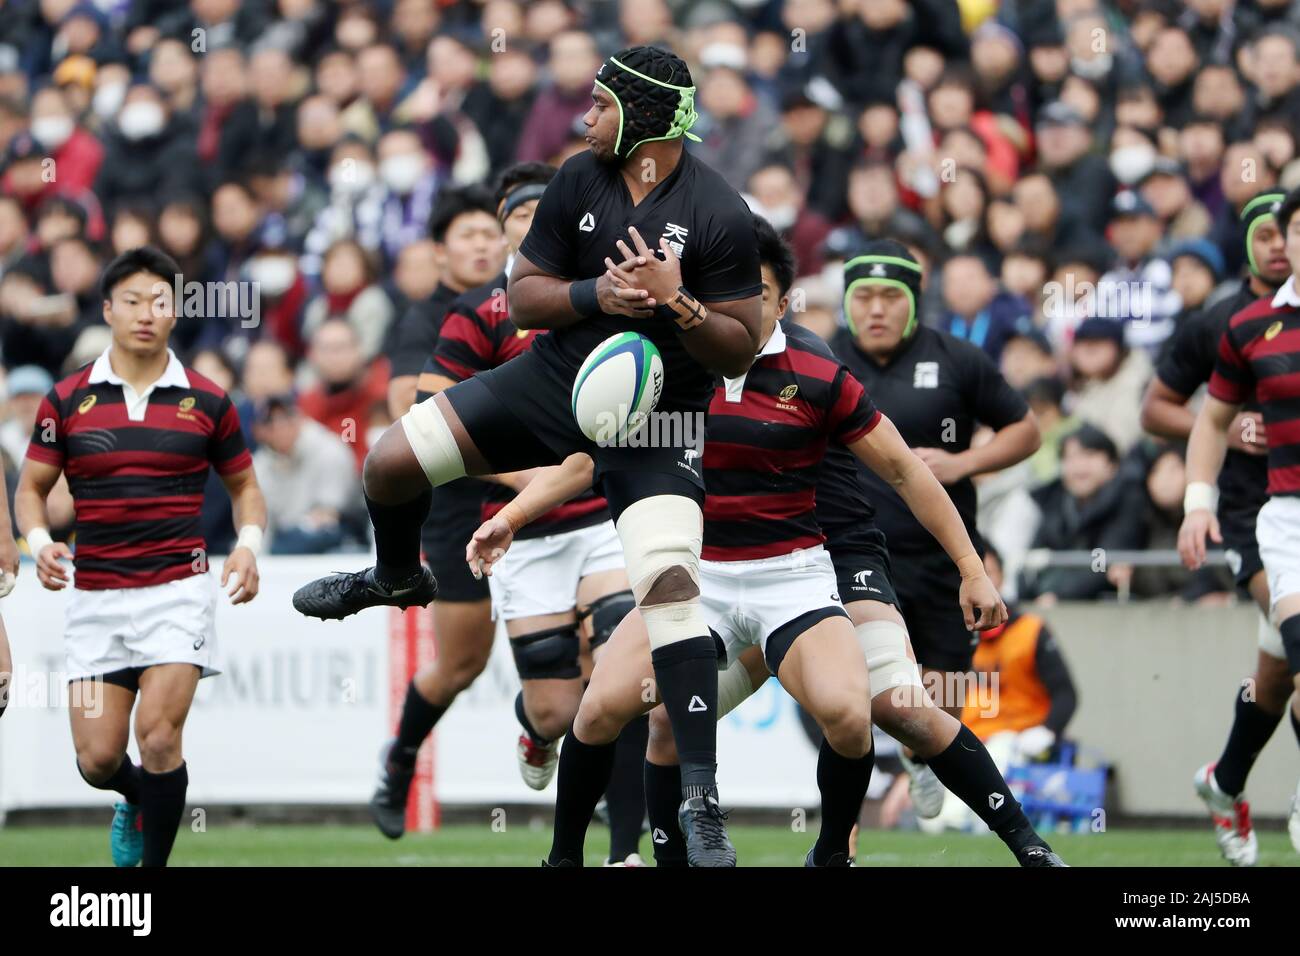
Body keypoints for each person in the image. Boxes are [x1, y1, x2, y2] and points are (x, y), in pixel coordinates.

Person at [293, 45, 763, 866]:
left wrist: (675, 301)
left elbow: (738, 352)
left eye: (602, 106)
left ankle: (701, 801)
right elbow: (528, 292)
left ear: (647, 120)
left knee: (671, 595)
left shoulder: (721, 211)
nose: (585, 119)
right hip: (553, 381)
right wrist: (598, 295)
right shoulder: (580, 178)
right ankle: (397, 574)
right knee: (389, 463)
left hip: (659, 418)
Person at [466, 216, 1059, 867]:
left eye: (748, 290)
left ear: (779, 302)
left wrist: (972, 568)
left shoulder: (817, 371)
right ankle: (577, 858)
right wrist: (514, 515)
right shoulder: (662, 364)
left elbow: (904, 470)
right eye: (717, 288)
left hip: (811, 571)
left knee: (876, 709)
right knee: (619, 707)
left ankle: (940, 848)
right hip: (701, 579)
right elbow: (589, 459)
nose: (727, 303)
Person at [365, 162, 647, 866]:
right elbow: (421, 419)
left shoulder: (600, 293)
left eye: (537, 214)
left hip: (592, 509)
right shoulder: (455, 314)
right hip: (470, 504)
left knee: (618, 658)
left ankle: (622, 845)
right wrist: (531, 480)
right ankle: (406, 756)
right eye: (502, 223)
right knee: (465, 664)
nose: (501, 240)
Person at [14, 246, 267, 867]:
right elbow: (30, 490)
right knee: (97, 760)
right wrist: (42, 544)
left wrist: (247, 546)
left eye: (159, 301)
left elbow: (246, 489)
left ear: (176, 311)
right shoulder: (67, 399)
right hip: (95, 596)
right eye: (132, 301)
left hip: (177, 592)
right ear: (107, 310)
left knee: (158, 736)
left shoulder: (208, 400)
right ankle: (135, 797)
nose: (146, 313)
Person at [829, 240, 1040, 806]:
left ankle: (921, 756)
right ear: (846, 303)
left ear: (915, 302)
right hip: (853, 561)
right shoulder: (819, 362)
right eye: (863, 296)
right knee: (852, 691)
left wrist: (965, 462)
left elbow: (1027, 430)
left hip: (942, 559)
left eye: (890, 296)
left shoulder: (958, 358)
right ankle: (839, 836)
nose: (876, 309)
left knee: (944, 694)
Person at [1141, 186, 1297, 860]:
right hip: (1263, 515)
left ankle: (1224, 780)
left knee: (1276, 672)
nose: (1274, 243)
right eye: (1271, 231)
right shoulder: (1231, 324)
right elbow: (1176, 413)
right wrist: (1199, 499)